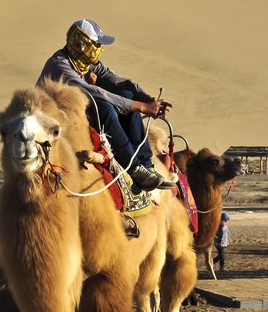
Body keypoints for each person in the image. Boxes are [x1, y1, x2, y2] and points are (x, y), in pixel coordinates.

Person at [37, 19, 174, 192]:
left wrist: (147, 99)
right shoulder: (60, 66)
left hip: (76, 115)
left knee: (126, 96)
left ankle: (147, 166)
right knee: (105, 108)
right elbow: (96, 93)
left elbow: (117, 81)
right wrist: (142, 107)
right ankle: (134, 169)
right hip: (54, 126)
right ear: (82, 44)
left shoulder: (85, 64)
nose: (100, 48)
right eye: (96, 44)